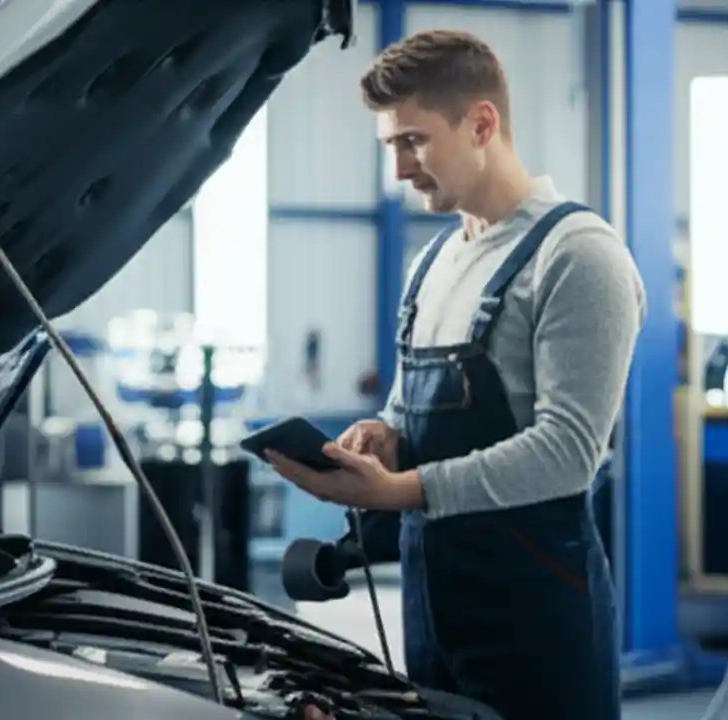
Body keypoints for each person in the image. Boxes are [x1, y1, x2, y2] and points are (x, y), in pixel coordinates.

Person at [268, 29, 646, 720]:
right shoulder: (434, 262)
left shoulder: (578, 258)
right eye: (391, 147)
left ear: (481, 123)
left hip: (535, 617)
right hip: (433, 608)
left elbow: (568, 453)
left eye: (413, 141)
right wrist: (382, 436)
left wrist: (402, 490)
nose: (401, 169)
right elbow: (408, 406)